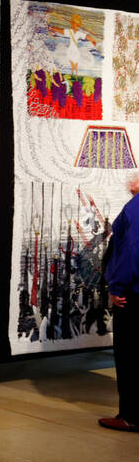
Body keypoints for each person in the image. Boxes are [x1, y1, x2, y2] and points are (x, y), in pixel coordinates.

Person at [100, 174, 139, 432]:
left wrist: (116, 287)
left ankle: (131, 415)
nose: (131, 178)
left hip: (132, 295)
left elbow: (133, 250)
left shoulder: (136, 208)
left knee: (129, 354)